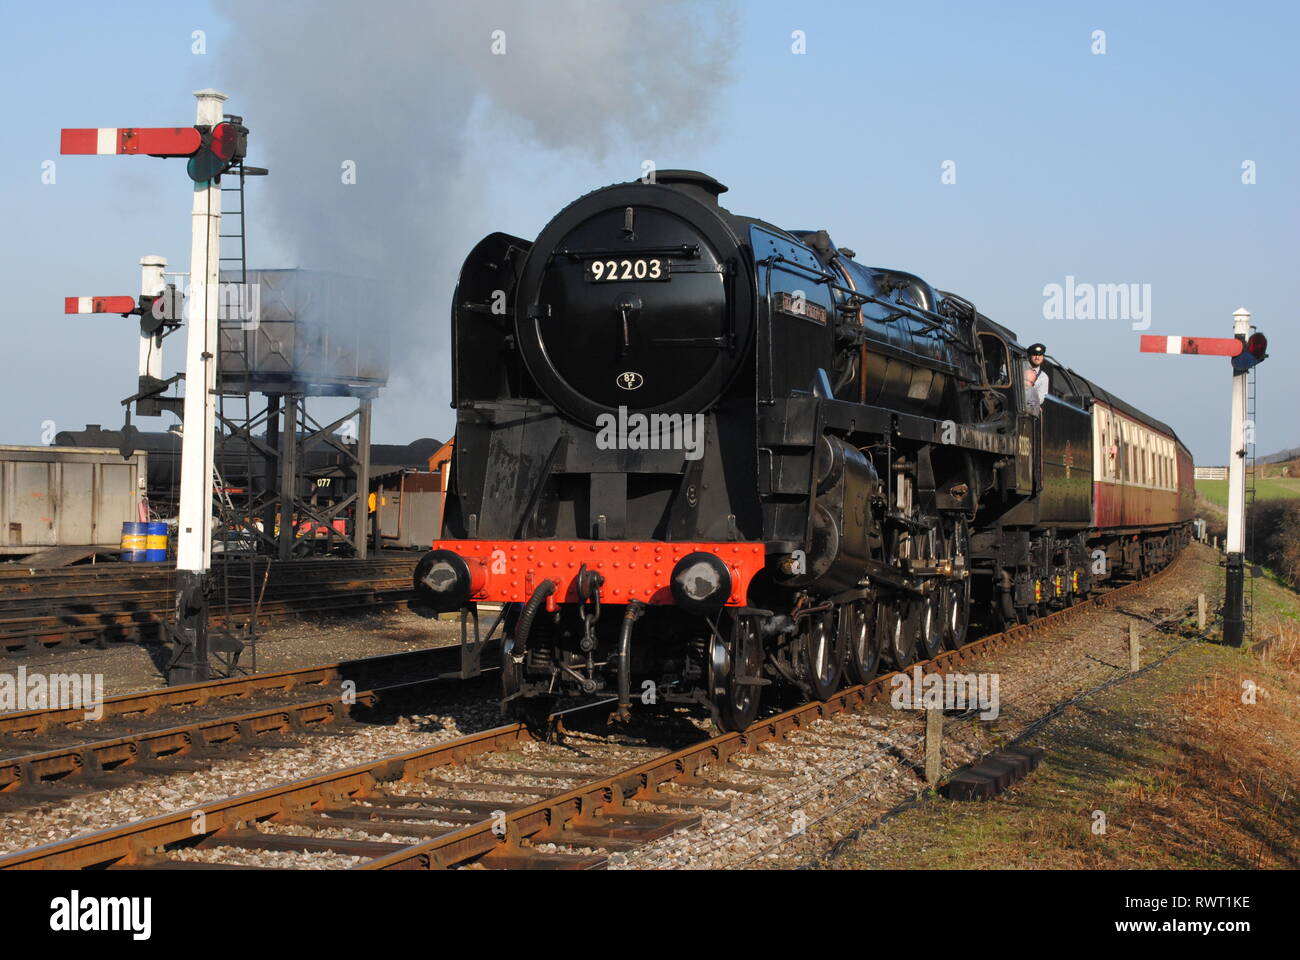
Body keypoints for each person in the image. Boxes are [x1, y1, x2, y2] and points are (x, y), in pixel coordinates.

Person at [1024, 342, 1049, 413]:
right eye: (1035, 354)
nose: (1037, 357)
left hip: (1029, 408)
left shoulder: (1043, 377)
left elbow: (1040, 398)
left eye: (1040, 355)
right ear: (1029, 356)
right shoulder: (1018, 368)